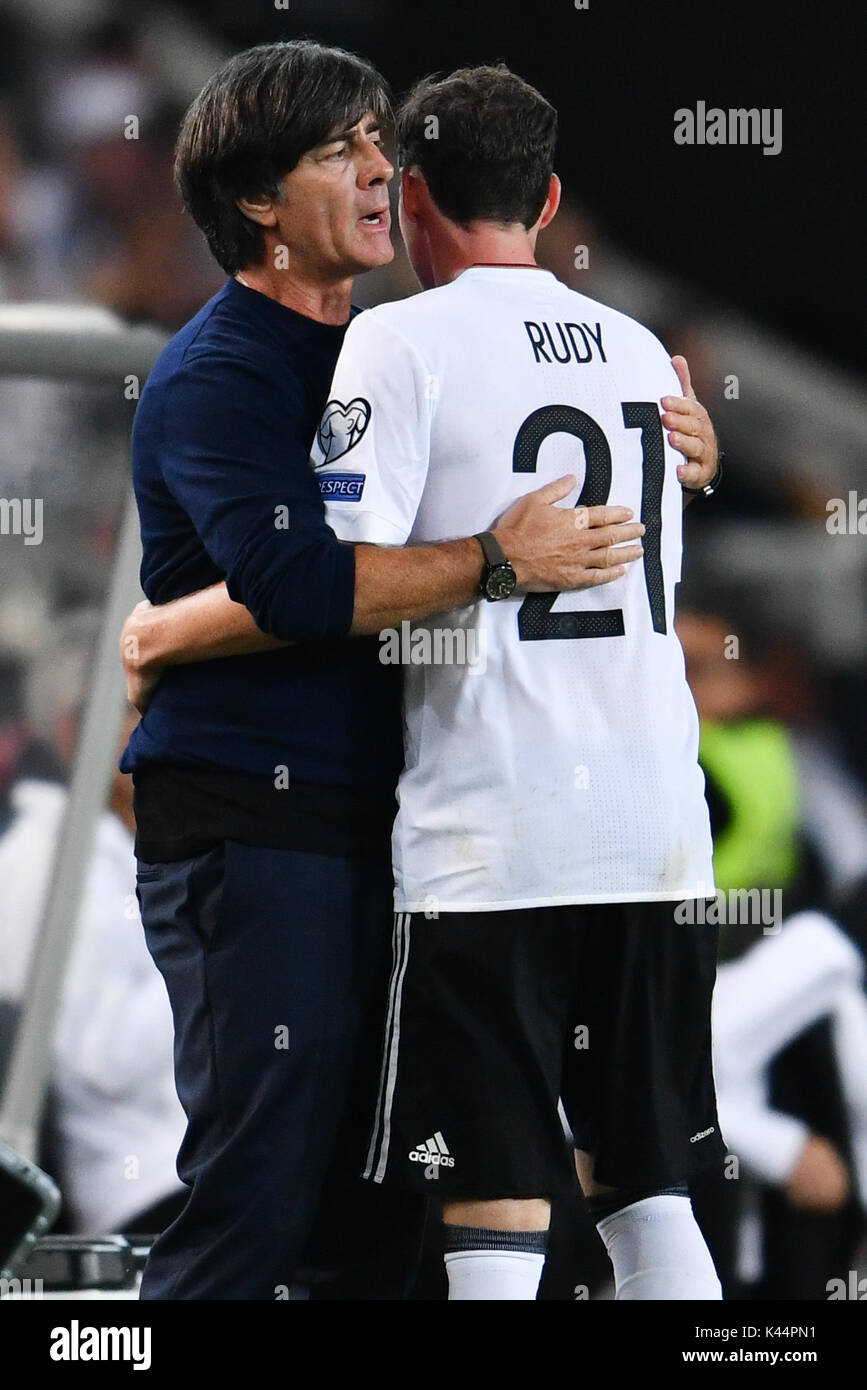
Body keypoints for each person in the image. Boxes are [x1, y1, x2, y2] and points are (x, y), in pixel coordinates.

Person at [120, 40, 712, 1301]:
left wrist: (678, 450)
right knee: (257, 1196)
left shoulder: (397, 346)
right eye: (341, 150)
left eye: (383, 142)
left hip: (396, 828)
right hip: (256, 823)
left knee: (386, 1221)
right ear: (260, 205)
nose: (384, 168)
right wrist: (498, 559)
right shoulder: (219, 374)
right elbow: (301, 582)